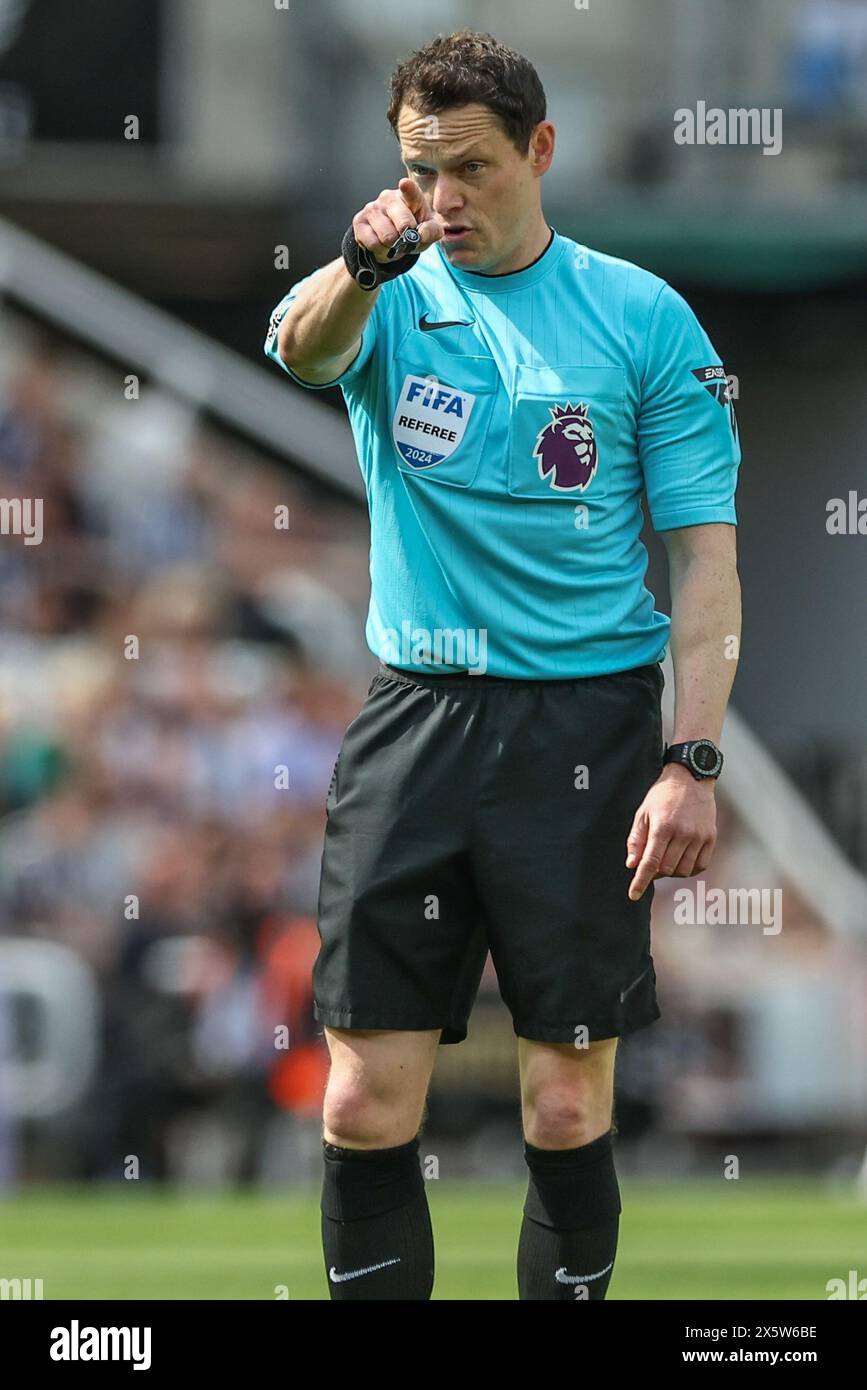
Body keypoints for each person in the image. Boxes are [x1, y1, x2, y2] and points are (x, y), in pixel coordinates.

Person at [264, 30, 741, 1300]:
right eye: (422, 172)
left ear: (540, 150)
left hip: (584, 727)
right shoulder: (385, 290)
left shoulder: (642, 317)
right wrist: (363, 267)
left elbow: (704, 566)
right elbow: (304, 348)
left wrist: (691, 758)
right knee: (363, 1099)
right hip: (415, 718)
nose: (446, 201)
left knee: (569, 1100)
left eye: (471, 168)